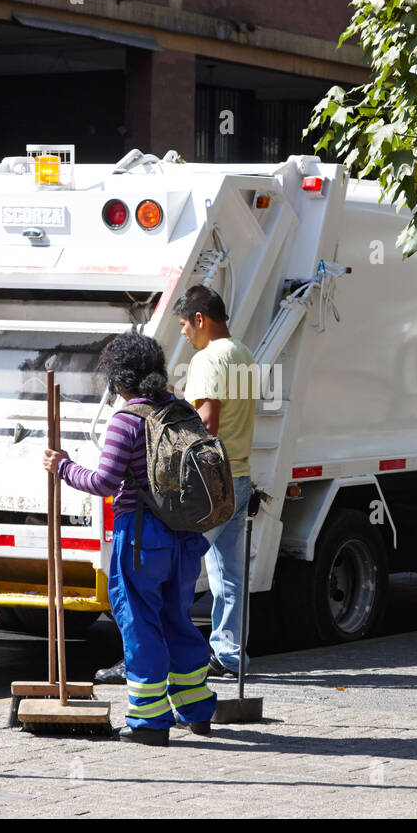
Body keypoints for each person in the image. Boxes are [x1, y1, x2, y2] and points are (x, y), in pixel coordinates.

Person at [44, 332, 217, 746]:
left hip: (141, 538)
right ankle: (197, 709)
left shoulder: (126, 420)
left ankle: (148, 723)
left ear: (119, 382)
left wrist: (63, 467)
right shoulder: (180, 409)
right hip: (186, 535)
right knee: (177, 618)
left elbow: (104, 481)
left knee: (140, 624)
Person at [174, 285, 257, 678]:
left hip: (211, 483)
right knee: (229, 573)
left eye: (184, 325)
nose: (182, 334)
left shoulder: (208, 360)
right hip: (240, 476)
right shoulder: (244, 354)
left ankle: (173, 652)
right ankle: (228, 654)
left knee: (179, 564)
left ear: (201, 320)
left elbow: (207, 423)